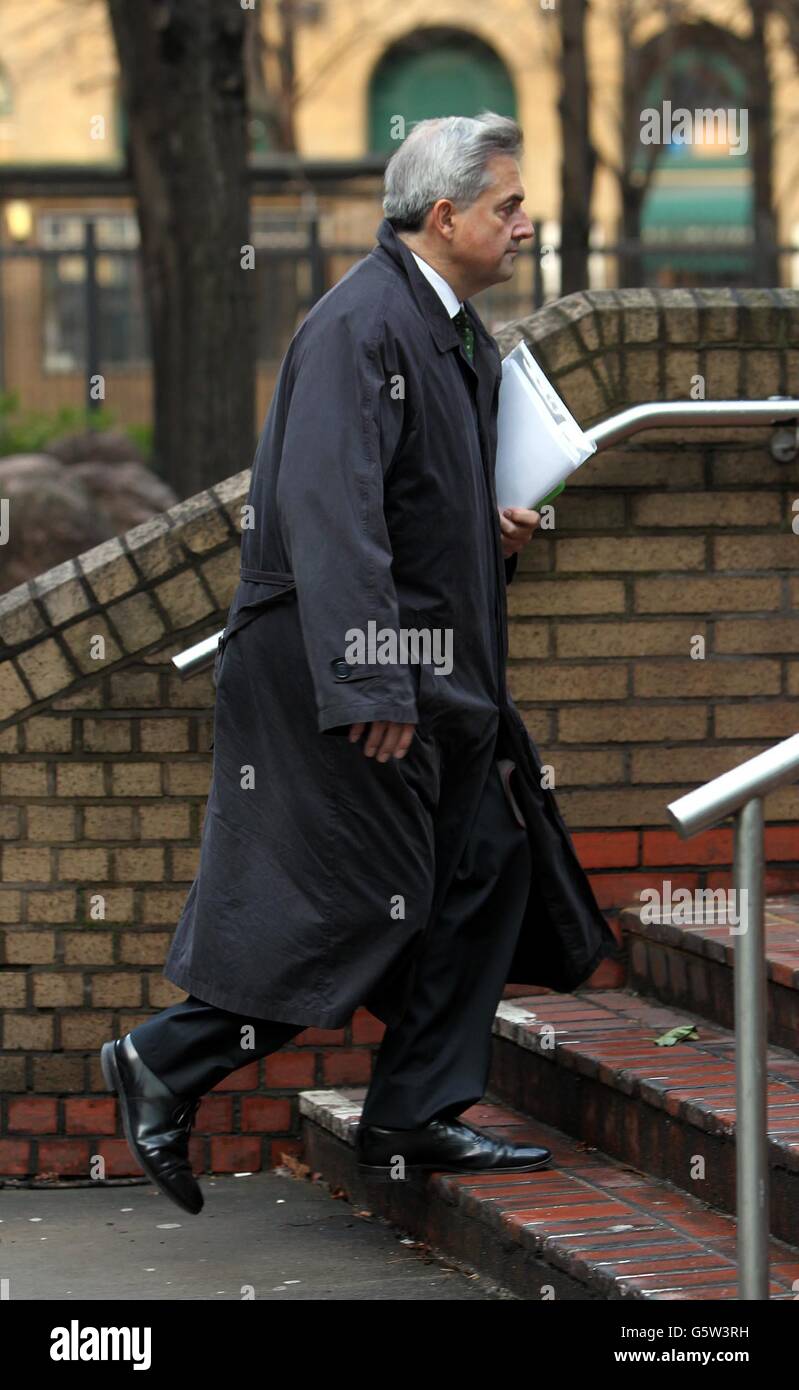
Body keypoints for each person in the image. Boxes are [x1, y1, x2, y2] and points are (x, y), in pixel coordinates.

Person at [100, 111, 620, 1215]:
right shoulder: (360, 327)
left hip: (436, 682)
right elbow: (330, 516)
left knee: (485, 865)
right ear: (444, 217)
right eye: (507, 208)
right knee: (360, 903)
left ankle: (411, 1110)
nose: (525, 226)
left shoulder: (458, 336)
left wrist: (491, 531)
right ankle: (165, 1060)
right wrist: (372, 679)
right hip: (352, 681)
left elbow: (406, 507)